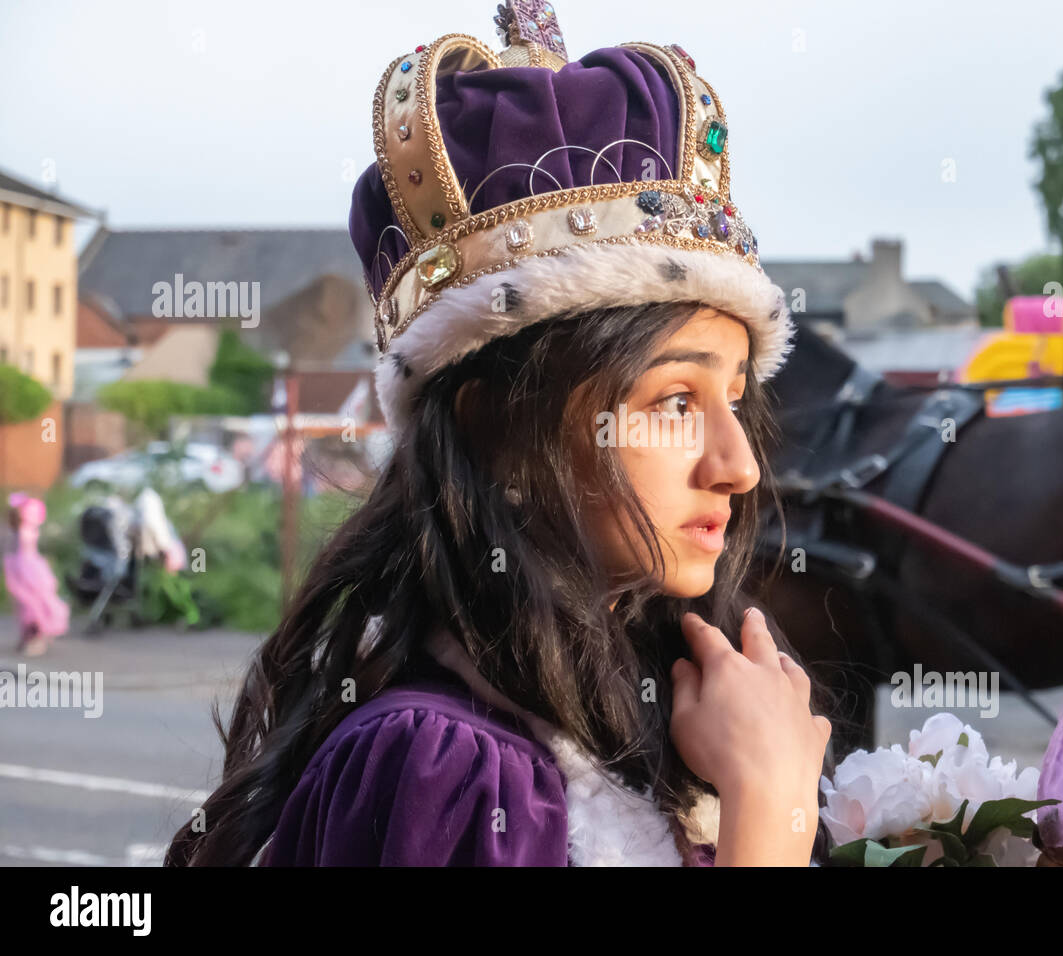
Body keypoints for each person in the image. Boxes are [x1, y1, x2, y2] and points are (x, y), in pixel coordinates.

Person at [165, 2, 836, 867]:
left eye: (734, 401)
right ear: (496, 428)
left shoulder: (646, 728)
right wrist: (769, 814)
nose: (738, 468)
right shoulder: (435, 773)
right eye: (674, 401)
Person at [4, 492, 70, 656]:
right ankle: (30, 637)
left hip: (28, 570)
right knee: (27, 606)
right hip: (24, 569)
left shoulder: (24, 530)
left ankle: (35, 639)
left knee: (33, 606)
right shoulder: (16, 532)